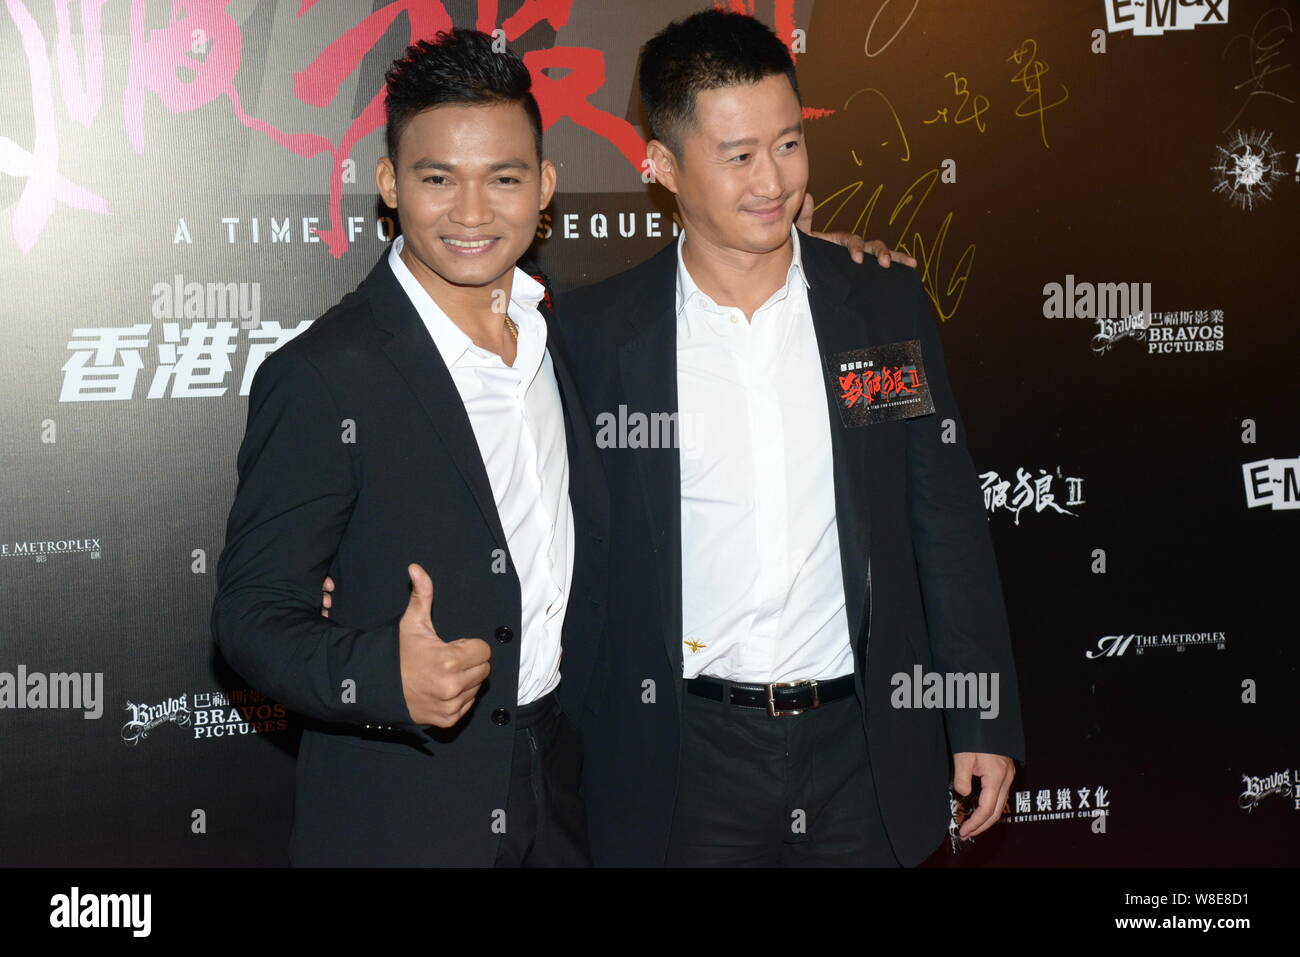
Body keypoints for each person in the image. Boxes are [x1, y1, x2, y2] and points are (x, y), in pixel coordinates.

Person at [557, 9, 1025, 867]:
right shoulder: (594, 340)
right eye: (737, 156)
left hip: (863, 749)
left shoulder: (878, 305)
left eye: (787, 144)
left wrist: (982, 714)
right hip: (681, 760)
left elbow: (944, 520)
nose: (771, 179)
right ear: (661, 165)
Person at [211, 29, 609, 866]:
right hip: (404, 814)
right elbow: (250, 619)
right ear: (391, 185)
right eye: (438, 179)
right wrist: (383, 674)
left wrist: (819, 258)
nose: (472, 212)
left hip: (566, 792)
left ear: (543, 187)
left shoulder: (565, 337)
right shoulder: (325, 375)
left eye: (503, 179)